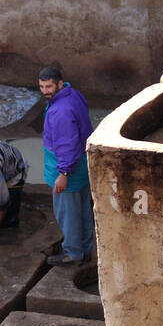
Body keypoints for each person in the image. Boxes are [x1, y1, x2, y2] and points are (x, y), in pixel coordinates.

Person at [38, 65, 95, 266]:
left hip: (66, 170)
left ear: (60, 84)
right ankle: (86, 249)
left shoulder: (59, 111)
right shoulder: (74, 95)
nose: (45, 91)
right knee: (84, 211)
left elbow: (66, 144)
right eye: (42, 87)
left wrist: (63, 173)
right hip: (81, 165)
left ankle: (73, 252)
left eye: (49, 86)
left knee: (68, 214)